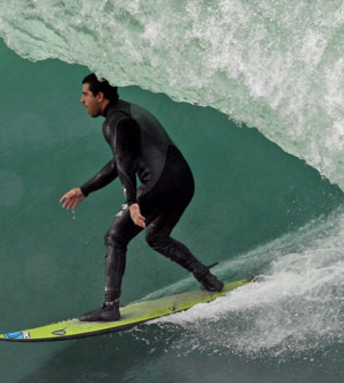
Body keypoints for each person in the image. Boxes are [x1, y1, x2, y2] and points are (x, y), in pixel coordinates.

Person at [59, 73, 223, 322]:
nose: (82, 100)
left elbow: (124, 161)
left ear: (100, 96)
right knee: (157, 237)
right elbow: (119, 160)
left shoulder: (114, 122)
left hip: (161, 182)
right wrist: (85, 189)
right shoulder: (129, 112)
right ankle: (207, 278)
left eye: (85, 94)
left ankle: (110, 307)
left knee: (115, 237)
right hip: (183, 181)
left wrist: (132, 202)